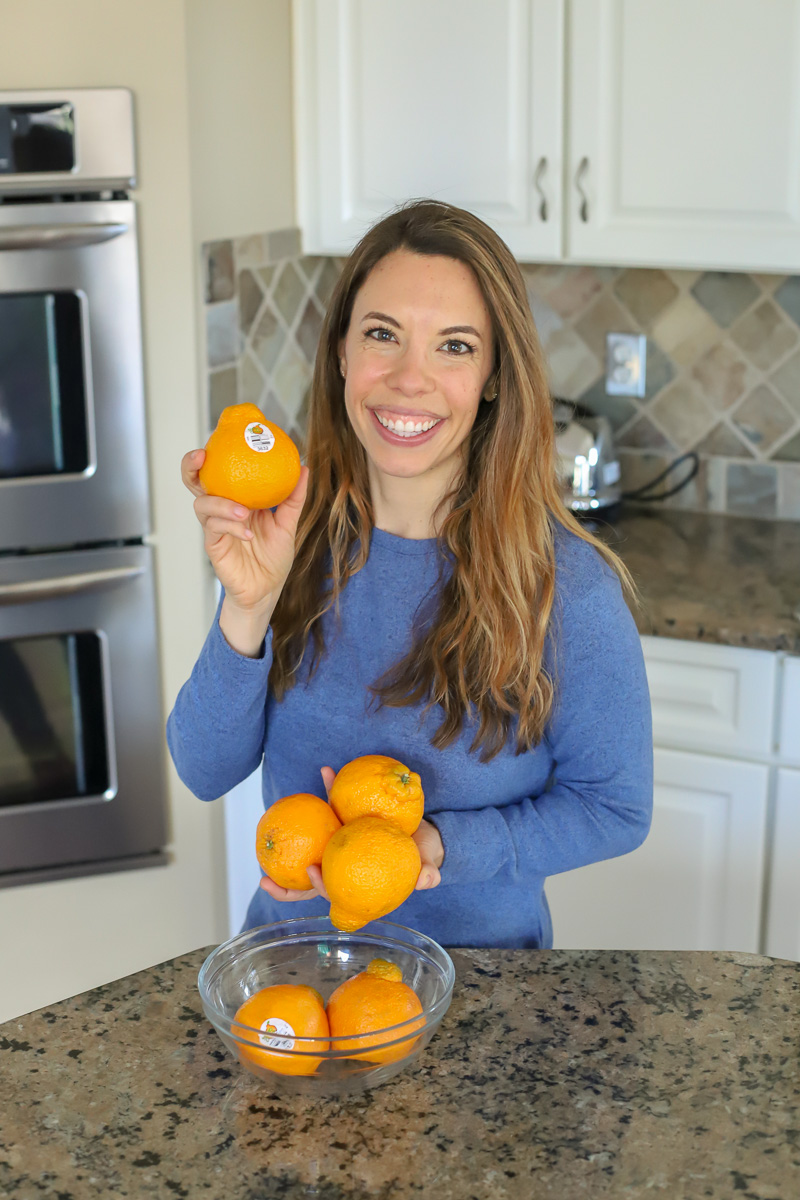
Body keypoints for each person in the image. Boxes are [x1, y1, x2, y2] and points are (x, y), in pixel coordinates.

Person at [167, 199, 653, 949]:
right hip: (298, 989)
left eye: (454, 346)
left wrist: (438, 847)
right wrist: (248, 605)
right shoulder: (290, 541)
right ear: (341, 353)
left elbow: (616, 808)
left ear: (493, 376)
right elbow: (203, 770)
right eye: (382, 334)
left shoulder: (568, 587)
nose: (407, 378)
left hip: (488, 1002)